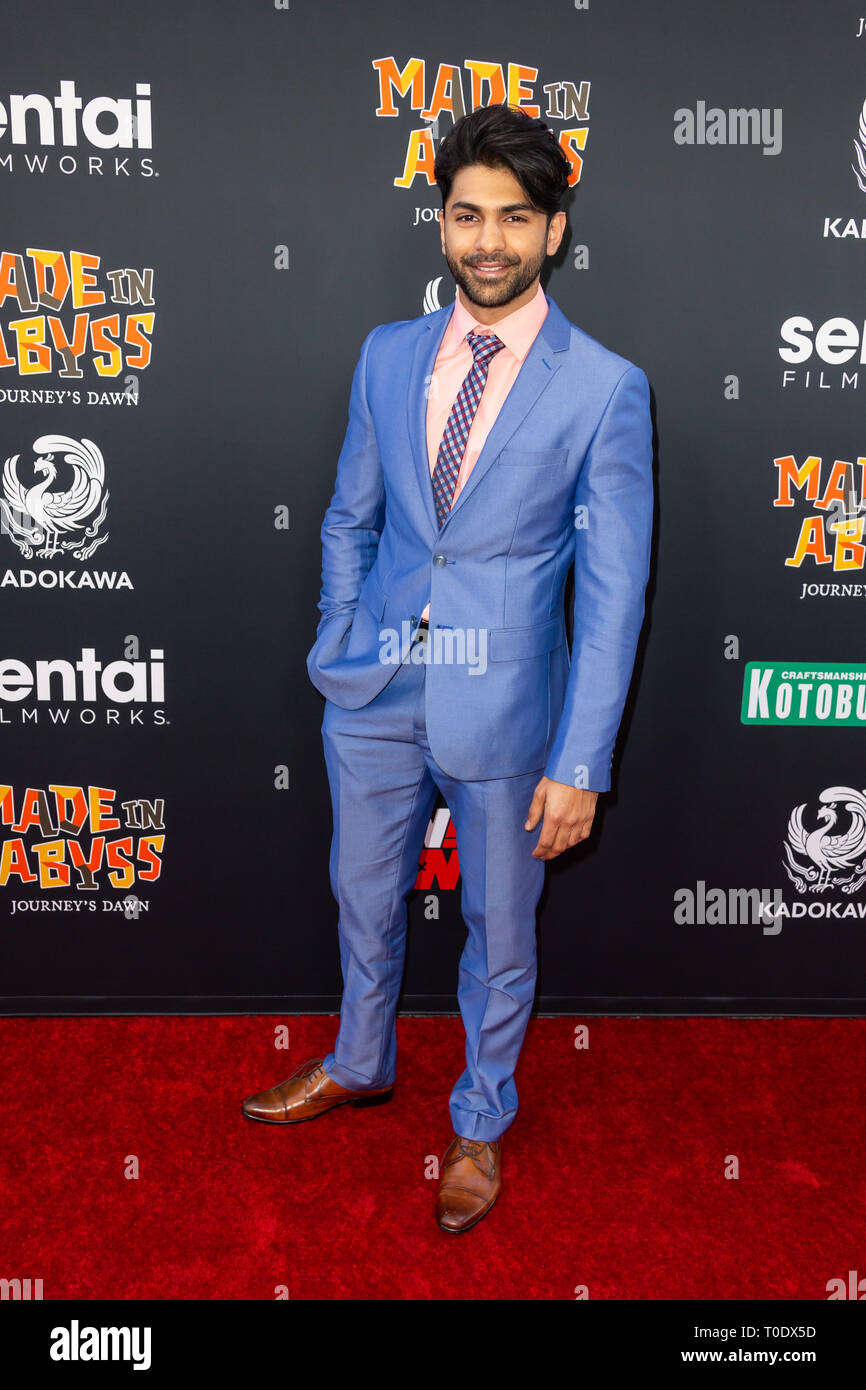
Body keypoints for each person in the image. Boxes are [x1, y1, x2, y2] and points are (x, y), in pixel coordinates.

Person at [243, 102, 654, 1234]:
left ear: (553, 229)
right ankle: (359, 1060)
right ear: (439, 226)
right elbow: (350, 516)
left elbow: (615, 594)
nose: (487, 241)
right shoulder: (387, 353)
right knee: (362, 896)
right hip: (373, 691)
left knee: (500, 929)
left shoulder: (604, 386)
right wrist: (340, 634)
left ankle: (477, 1118)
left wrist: (581, 759)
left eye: (513, 219)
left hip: (508, 706)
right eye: (467, 215)